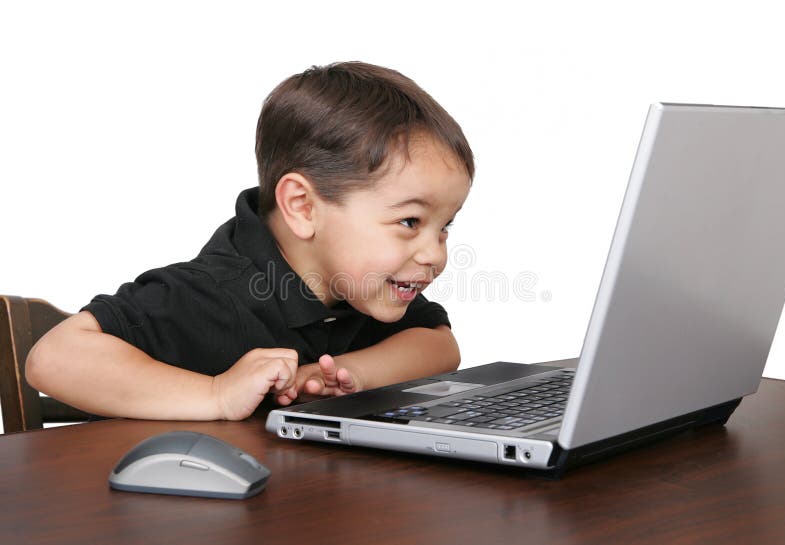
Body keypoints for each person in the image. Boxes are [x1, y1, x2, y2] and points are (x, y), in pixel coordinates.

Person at [26, 61, 474, 421]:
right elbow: (53, 357)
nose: (435, 254)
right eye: (411, 222)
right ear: (302, 206)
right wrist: (216, 395)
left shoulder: (358, 286)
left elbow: (438, 344)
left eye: (445, 226)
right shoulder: (211, 294)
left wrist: (350, 372)